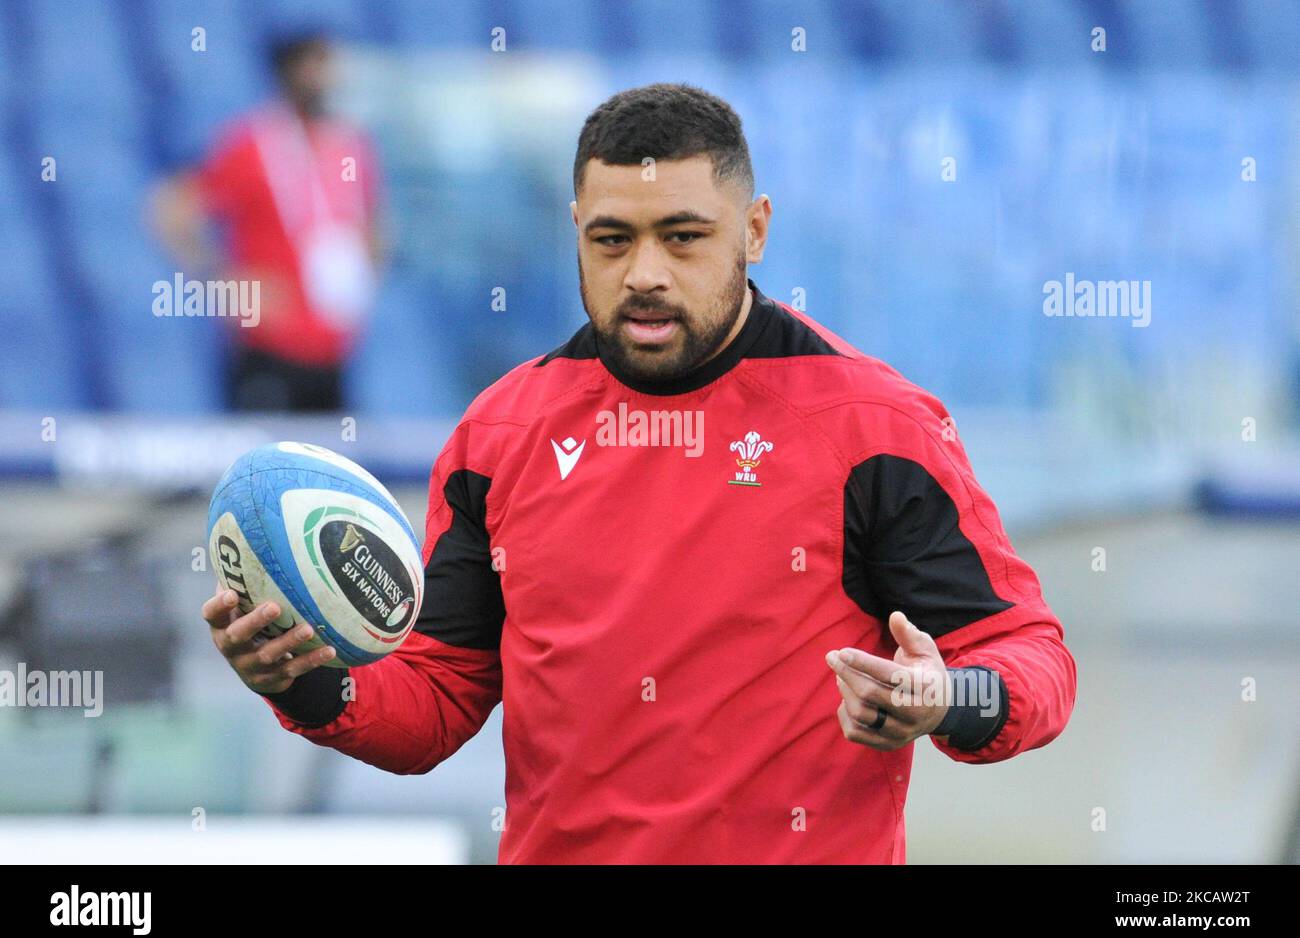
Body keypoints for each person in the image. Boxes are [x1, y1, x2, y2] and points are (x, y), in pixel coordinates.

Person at [202, 83, 1077, 864]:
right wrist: (302, 679)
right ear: (576, 231)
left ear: (755, 230)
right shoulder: (499, 436)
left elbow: (1032, 656)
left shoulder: (874, 427)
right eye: (612, 240)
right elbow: (432, 702)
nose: (645, 274)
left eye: (683, 237)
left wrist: (948, 695)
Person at [152, 31, 383, 412]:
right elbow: (170, 208)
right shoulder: (252, 144)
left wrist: (365, 272)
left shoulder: (351, 145)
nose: (330, 78)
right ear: (289, 72)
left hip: (334, 349)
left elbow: (371, 221)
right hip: (269, 346)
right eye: (317, 66)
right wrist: (220, 279)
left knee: (330, 448)